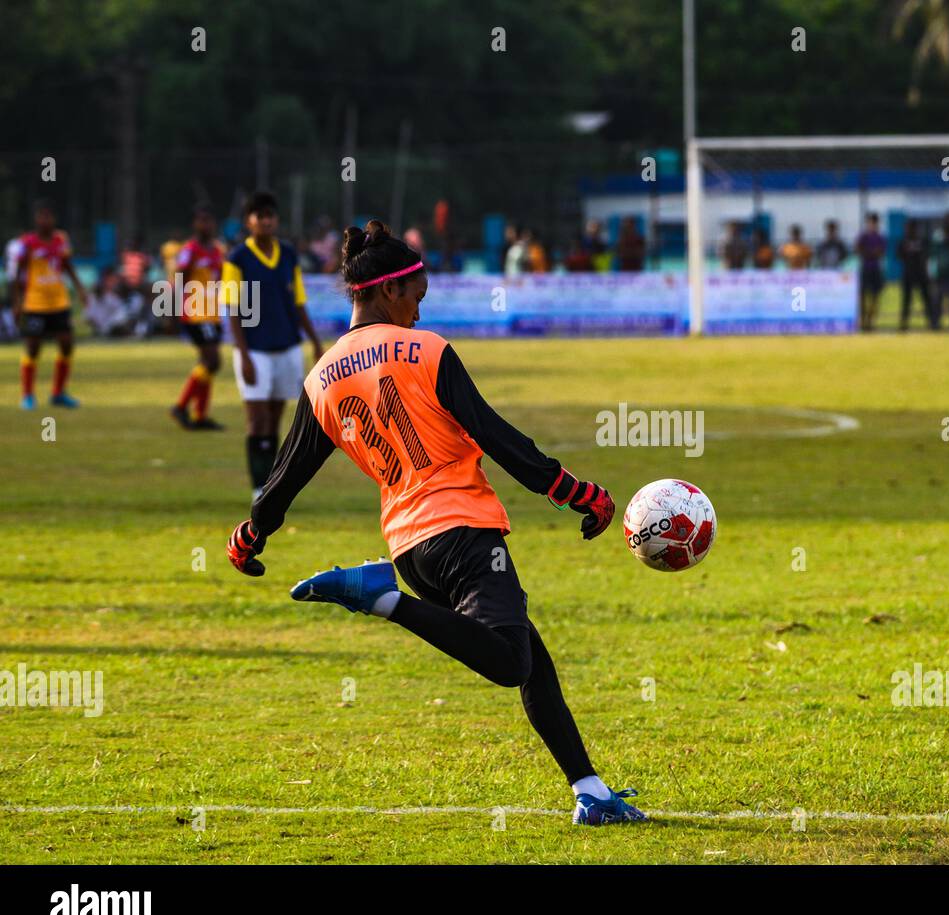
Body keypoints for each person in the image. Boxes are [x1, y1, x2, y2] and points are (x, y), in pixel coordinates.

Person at [225, 220, 644, 826]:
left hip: (410, 546)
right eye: (417, 298)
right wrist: (572, 490)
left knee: (529, 652)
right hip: (464, 532)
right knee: (510, 662)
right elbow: (495, 435)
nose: (420, 311)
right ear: (390, 291)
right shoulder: (427, 352)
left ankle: (591, 792)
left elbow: (287, 473)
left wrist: (253, 532)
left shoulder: (321, 378)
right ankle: (380, 600)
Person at [222, 191, 324, 498]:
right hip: (254, 349)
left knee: (277, 416)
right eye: (259, 215)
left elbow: (299, 302)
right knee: (257, 419)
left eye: (270, 215)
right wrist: (243, 355)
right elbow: (234, 310)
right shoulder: (237, 258)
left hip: (288, 346)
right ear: (249, 221)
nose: (265, 220)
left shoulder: (289, 254)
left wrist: (316, 343)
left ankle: (271, 484)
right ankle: (258, 486)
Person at [14, 200, 87, 409]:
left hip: (59, 302)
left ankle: (58, 392)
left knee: (66, 344)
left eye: (49, 216)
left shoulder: (61, 240)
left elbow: (67, 265)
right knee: (33, 348)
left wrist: (80, 289)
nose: (46, 220)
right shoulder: (28, 243)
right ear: (36, 219)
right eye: (42, 216)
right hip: (35, 303)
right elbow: (17, 273)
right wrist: (17, 302)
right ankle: (27, 395)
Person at [170, 203, 226, 430]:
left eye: (209, 220)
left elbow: (222, 279)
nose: (206, 224)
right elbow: (179, 279)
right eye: (202, 220)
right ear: (195, 224)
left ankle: (200, 415)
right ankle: (181, 406)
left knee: (207, 364)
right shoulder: (190, 249)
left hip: (212, 314)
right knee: (213, 361)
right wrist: (172, 310)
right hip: (194, 314)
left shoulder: (218, 250)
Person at [897, 219, 932, 332]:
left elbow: (927, 255)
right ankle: (904, 323)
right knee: (906, 300)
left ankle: (932, 322)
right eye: (908, 228)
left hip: (921, 274)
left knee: (926, 299)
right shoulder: (903, 241)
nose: (909, 230)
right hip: (908, 274)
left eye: (911, 228)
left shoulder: (923, 241)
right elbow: (898, 255)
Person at [854, 213, 886, 332]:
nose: (872, 225)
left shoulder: (879, 237)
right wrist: (870, 253)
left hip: (875, 269)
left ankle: (871, 321)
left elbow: (880, 253)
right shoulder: (863, 236)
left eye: (873, 223)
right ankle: (863, 321)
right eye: (870, 223)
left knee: (875, 297)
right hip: (865, 269)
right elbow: (857, 249)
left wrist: (867, 252)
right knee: (862, 296)